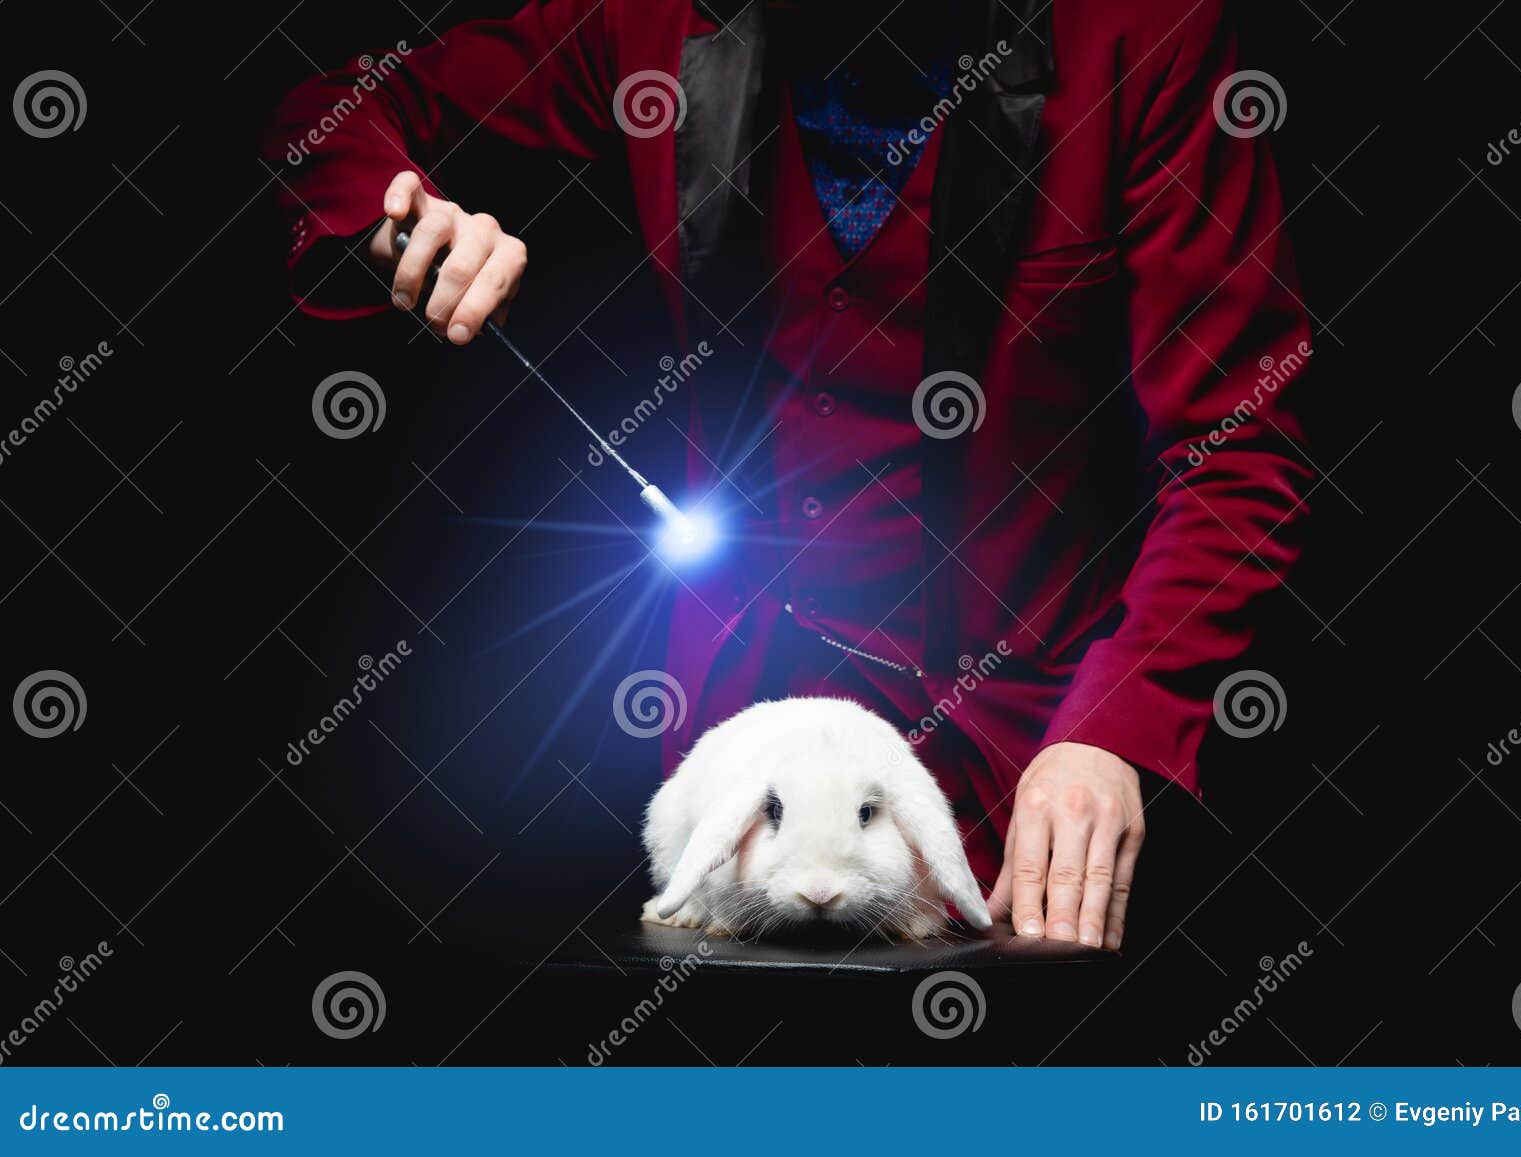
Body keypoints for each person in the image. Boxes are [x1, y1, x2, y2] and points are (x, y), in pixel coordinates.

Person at [266, 0, 1313, 953]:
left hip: (1024, 774)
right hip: (731, 787)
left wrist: (1112, 730)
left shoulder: (1150, 32)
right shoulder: (647, 23)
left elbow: (1240, 447)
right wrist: (396, 220)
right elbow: (333, 110)